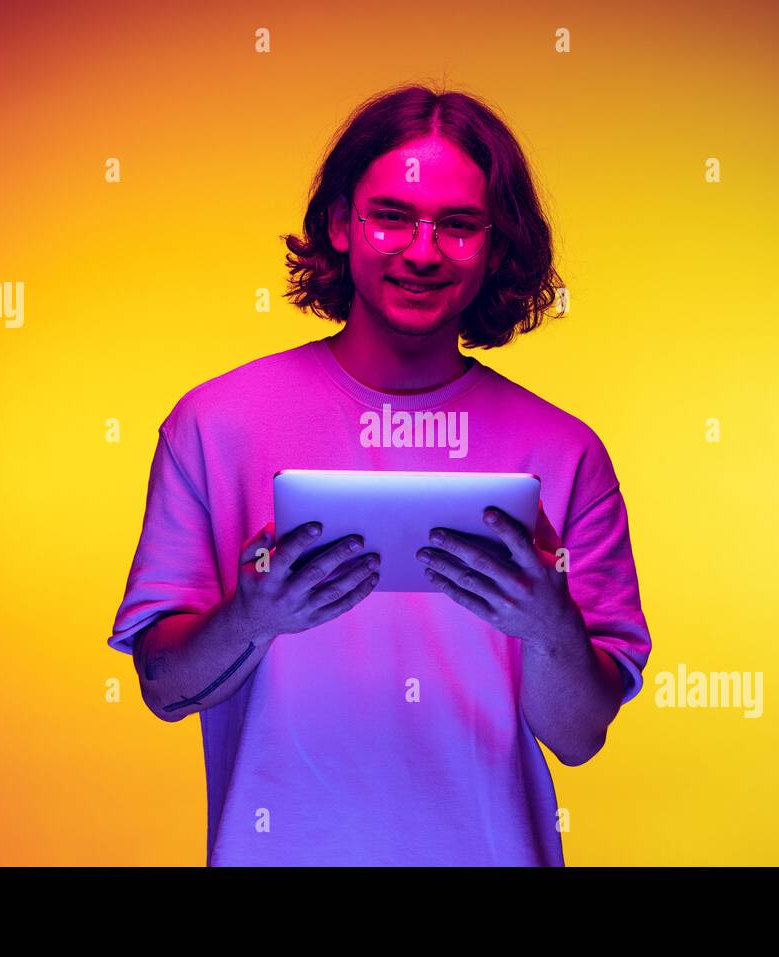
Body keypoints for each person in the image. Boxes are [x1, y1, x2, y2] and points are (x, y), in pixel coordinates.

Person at [107, 84, 653, 866]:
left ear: (497, 247)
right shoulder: (214, 426)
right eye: (392, 216)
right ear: (339, 223)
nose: (423, 251)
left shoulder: (566, 453)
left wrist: (546, 623)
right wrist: (255, 615)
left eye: (459, 225)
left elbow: (578, 737)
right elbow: (165, 688)